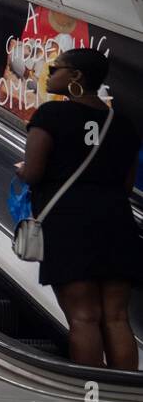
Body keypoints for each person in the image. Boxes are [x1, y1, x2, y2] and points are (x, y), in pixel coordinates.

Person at [15, 48, 143, 370]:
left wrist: (21, 170)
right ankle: (126, 401)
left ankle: (93, 396)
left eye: (56, 68)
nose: (49, 73)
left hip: (69, 224)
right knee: (116, 318)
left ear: (75, 77)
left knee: (84, 318)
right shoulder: (124, 124)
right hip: (117, 222)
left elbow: (33, 172)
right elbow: (126, 186)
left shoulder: (50, 116)